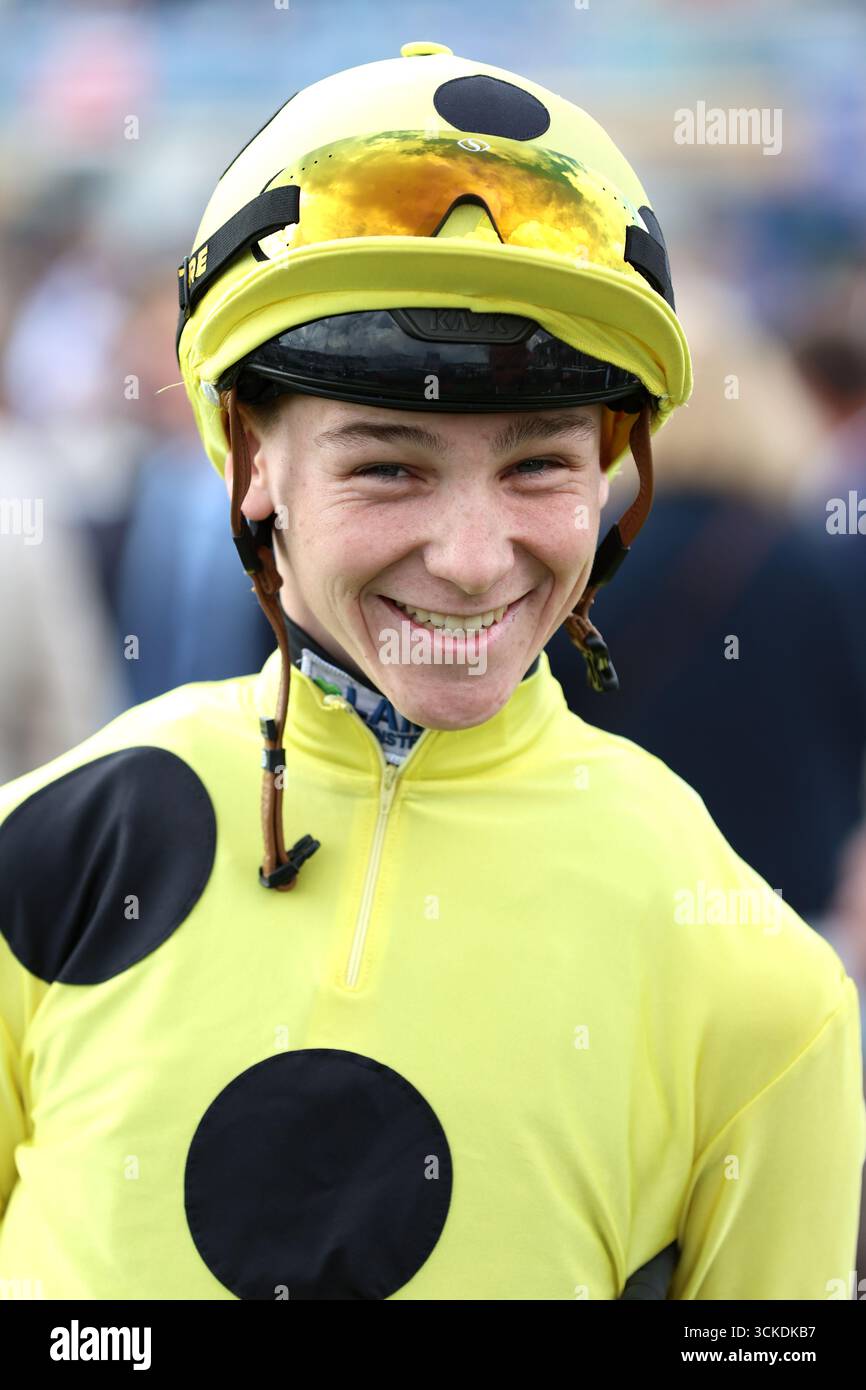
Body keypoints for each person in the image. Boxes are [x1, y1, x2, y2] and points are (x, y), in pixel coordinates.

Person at [0, 40, 863, 1302]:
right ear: (250, 459)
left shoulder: (756, 976)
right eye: (387, 465)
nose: (470, 561)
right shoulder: (46, 862)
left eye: (539, 467)